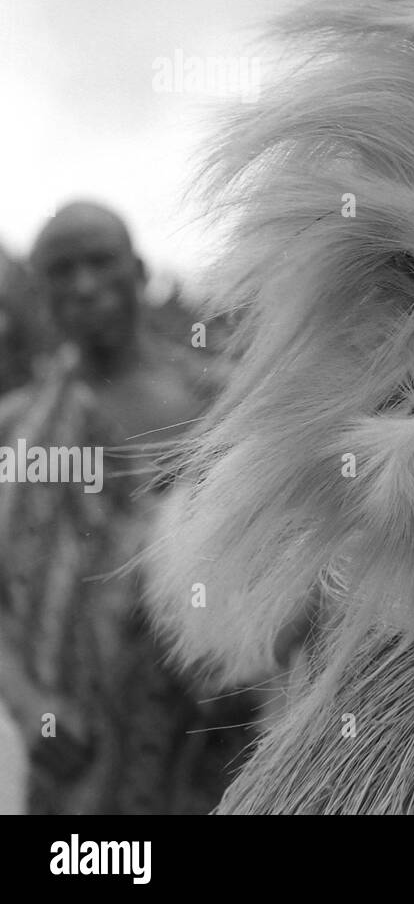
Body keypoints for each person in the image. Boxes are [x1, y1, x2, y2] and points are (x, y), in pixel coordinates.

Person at [0, 201, 250, 814]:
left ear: (137, 270)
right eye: (61, 271)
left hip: (214, 745)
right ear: (41, 294)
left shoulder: (221, 404)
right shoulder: (17, 431)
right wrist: (30, 706)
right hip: (75, 760)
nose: (84, 286)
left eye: (100, 262)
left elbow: (289, 556)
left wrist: (253, 657)